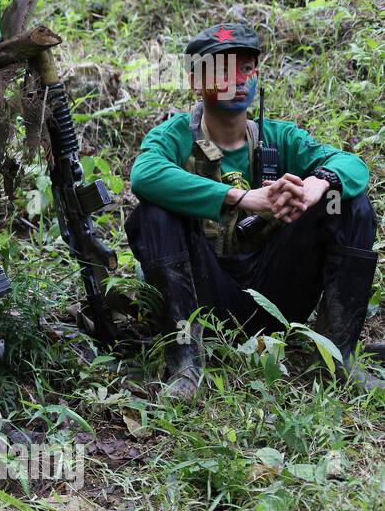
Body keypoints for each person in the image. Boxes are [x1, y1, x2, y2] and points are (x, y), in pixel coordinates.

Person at [128, 21, 379, 397]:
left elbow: (354, 166)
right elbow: (145, 175)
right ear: (198, 82)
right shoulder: (176, 137)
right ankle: (185, 363)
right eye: (223, 69)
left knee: (348, 203)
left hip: (277, 295)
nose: (238, 78)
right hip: (203, 298)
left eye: (246, 67)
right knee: (153, 213)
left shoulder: (280, 137)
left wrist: (317, 184)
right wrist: (242, 198)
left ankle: (336, 355)